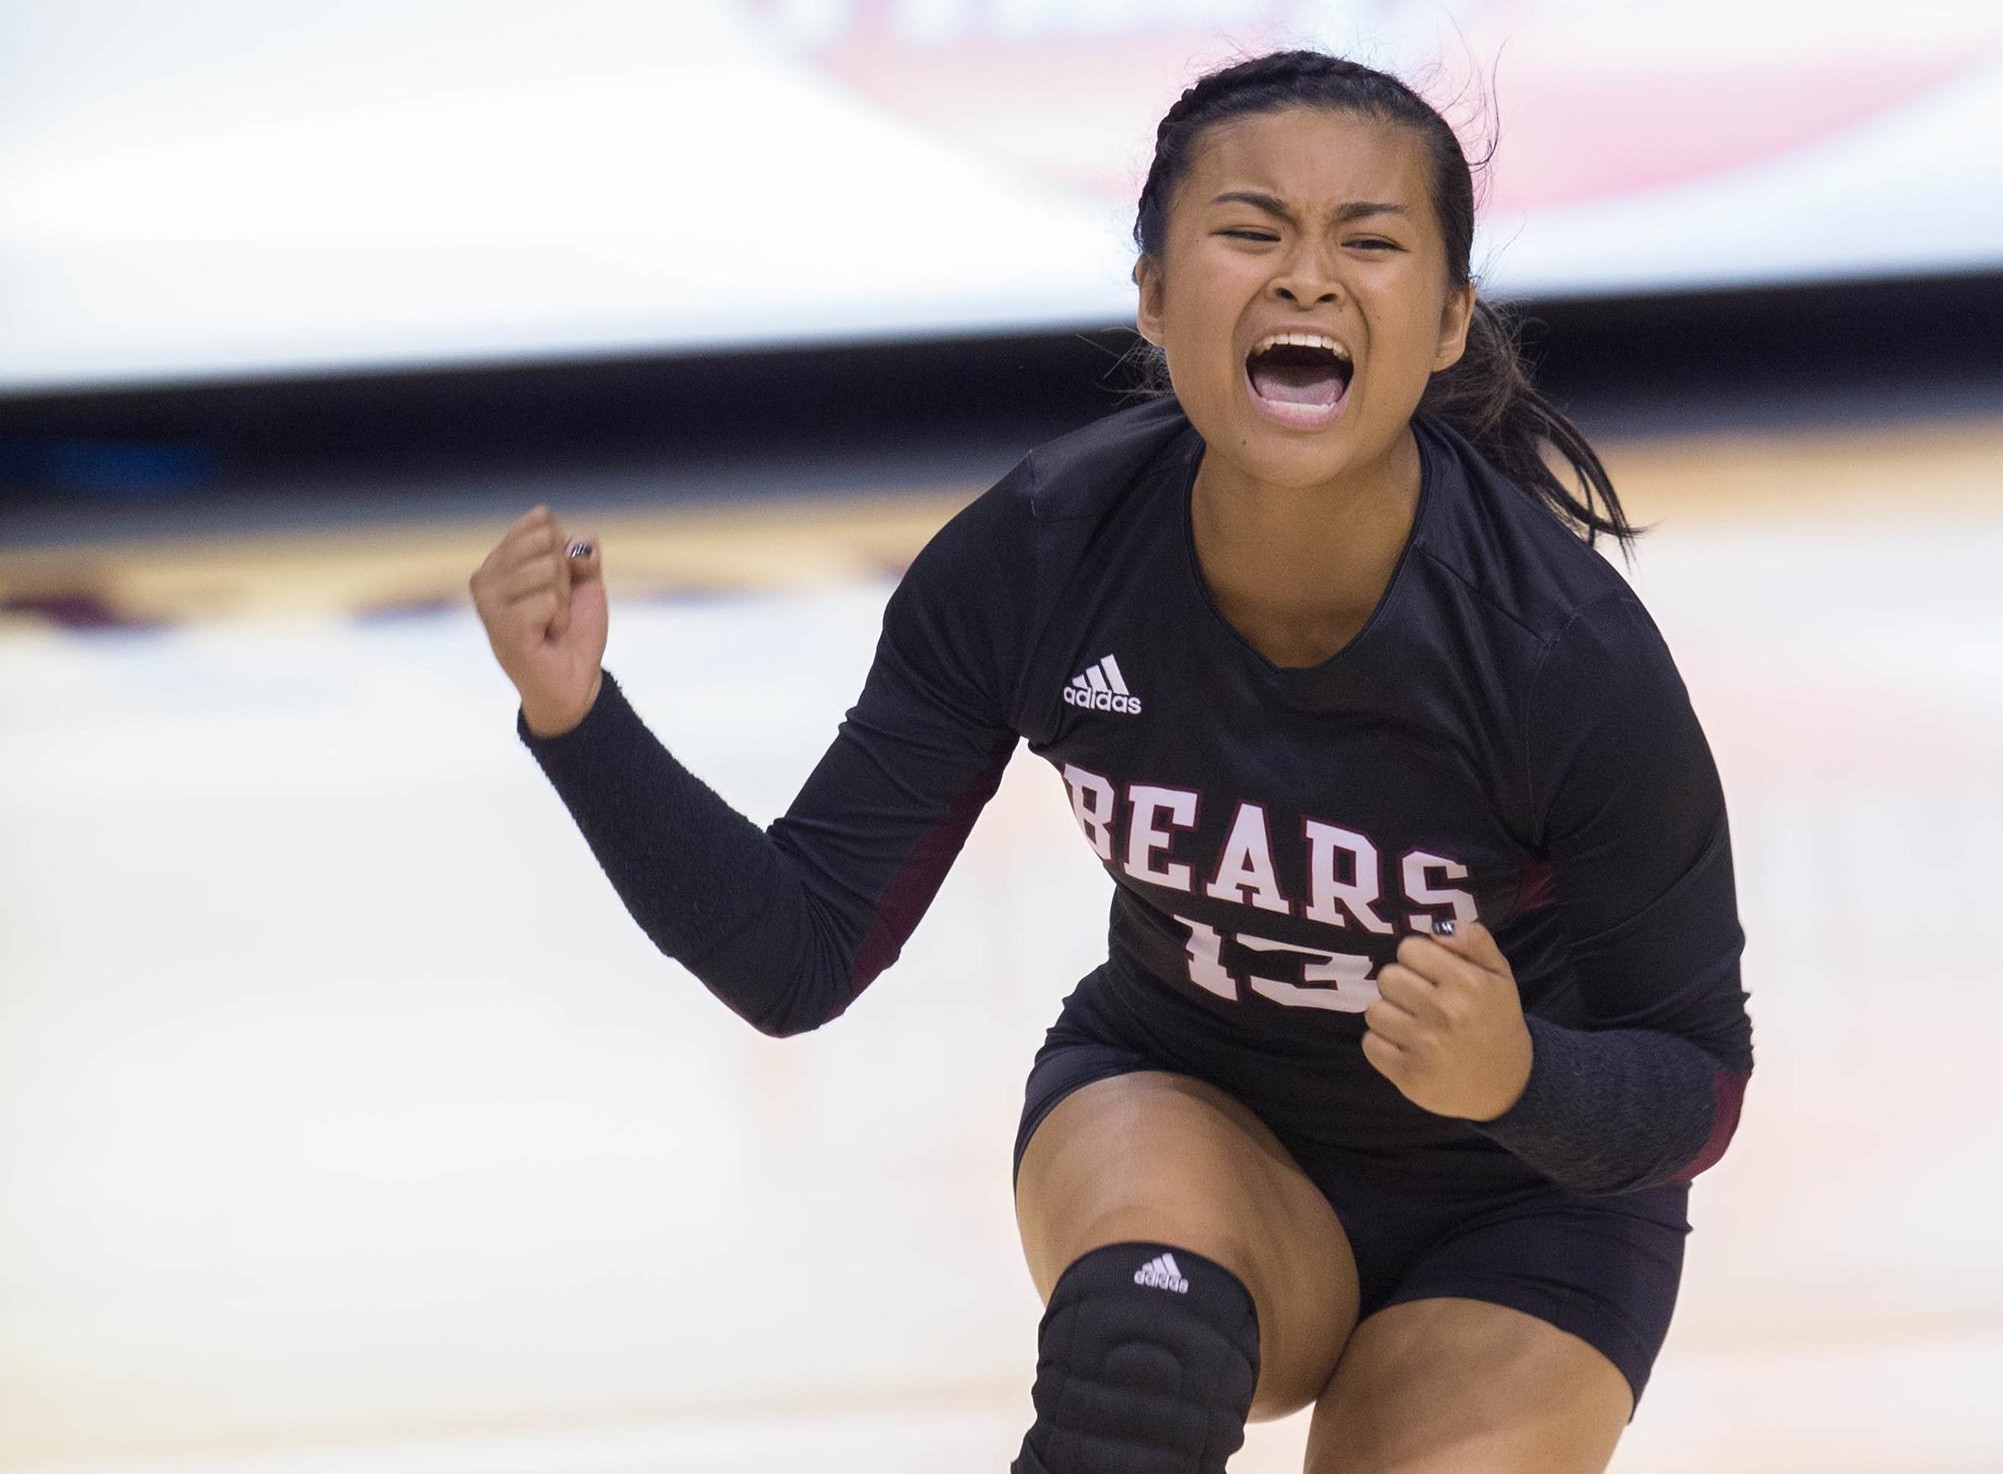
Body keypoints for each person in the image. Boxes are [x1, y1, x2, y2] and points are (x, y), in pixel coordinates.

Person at [469, 49, 1751, 1474]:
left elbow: (1699, 1082)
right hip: (1187, 1102)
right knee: (1140, 1368)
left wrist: (1518, 1077)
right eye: (1250, 230)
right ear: (1151, 293)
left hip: (1527, 1193)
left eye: (1369, 242)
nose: (1307, 278)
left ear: (1447, 321)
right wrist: (579, 722)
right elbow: (799, 950)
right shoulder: (1037, 554)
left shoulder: (1557, 649)